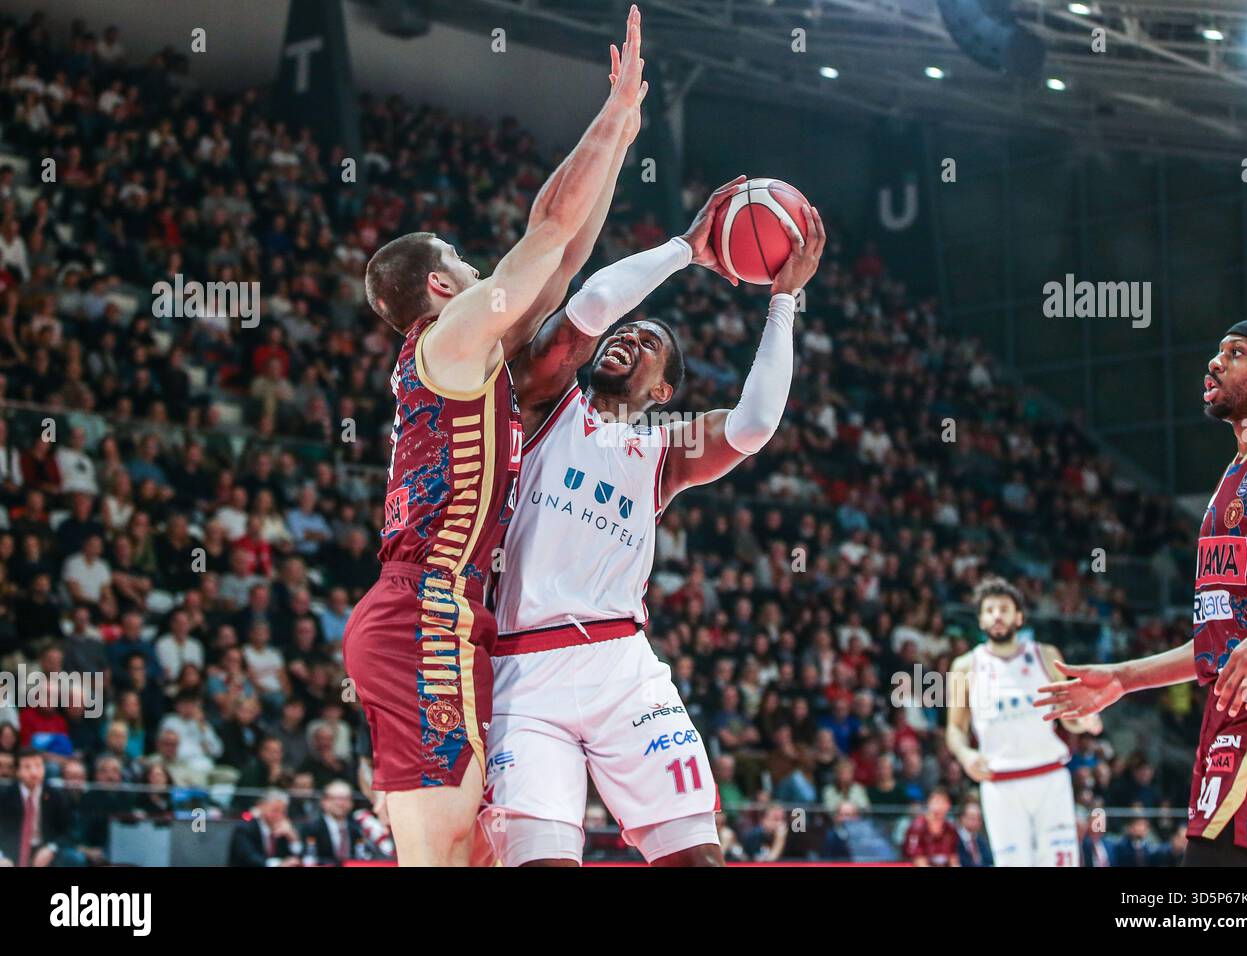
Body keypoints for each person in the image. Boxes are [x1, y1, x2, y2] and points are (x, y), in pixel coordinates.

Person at [341, 6, 649, 866]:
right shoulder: (448, 339)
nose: (489, 270)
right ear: (443, 284)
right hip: (423, 609)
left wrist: (622, 143)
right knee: (445, 859)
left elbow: (564, 253)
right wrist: (612, 111)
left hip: (443, 609)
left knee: (476, 852)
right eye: (471, 266)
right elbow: (546, 230)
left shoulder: (470, 356)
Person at [479, 180, 825, 866]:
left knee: (695, 860)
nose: (628, 338)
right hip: (523, 672)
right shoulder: (548, 400)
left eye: (648, 345)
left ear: (662, 391)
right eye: (626, 335)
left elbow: (755, 425)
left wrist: (782, 300)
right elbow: (590, 308)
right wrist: (686, 249)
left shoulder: (662, 452)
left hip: (622, 668)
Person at [1037, 319, 1247, 867]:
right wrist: (1123, 678)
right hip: (1230, 719)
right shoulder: (1236, 471)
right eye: (1216, 351)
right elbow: (1221, 642)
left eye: (1236, 352)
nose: (1215, 362)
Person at [947, 576, 1099, 866]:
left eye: (1004, 609)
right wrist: (966, 755)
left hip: (1049, 778)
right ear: (980, 620)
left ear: (1018, 617)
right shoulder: (965, 667)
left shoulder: (1046, 655)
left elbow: (1069, 718)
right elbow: (955, 728)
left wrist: (1087, 720)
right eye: (989, 610)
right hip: (1001, 784)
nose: (997, 616)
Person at [227, 788, 302, 867]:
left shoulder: (283, 829)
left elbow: (297, 858)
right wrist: (278, 864)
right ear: (261, 807)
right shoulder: (245, 828)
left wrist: (293, 839)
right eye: (275, 810)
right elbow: (249, 857)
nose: (279, 815)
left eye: (283, 812)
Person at [902, 788, 960, 867]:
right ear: (929, 804)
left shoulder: (950, 829)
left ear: (948, 805)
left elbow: (953, 857)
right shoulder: (917, 826)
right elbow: (917, 859)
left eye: (943, 802)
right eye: (936, 802)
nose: (939, 806)